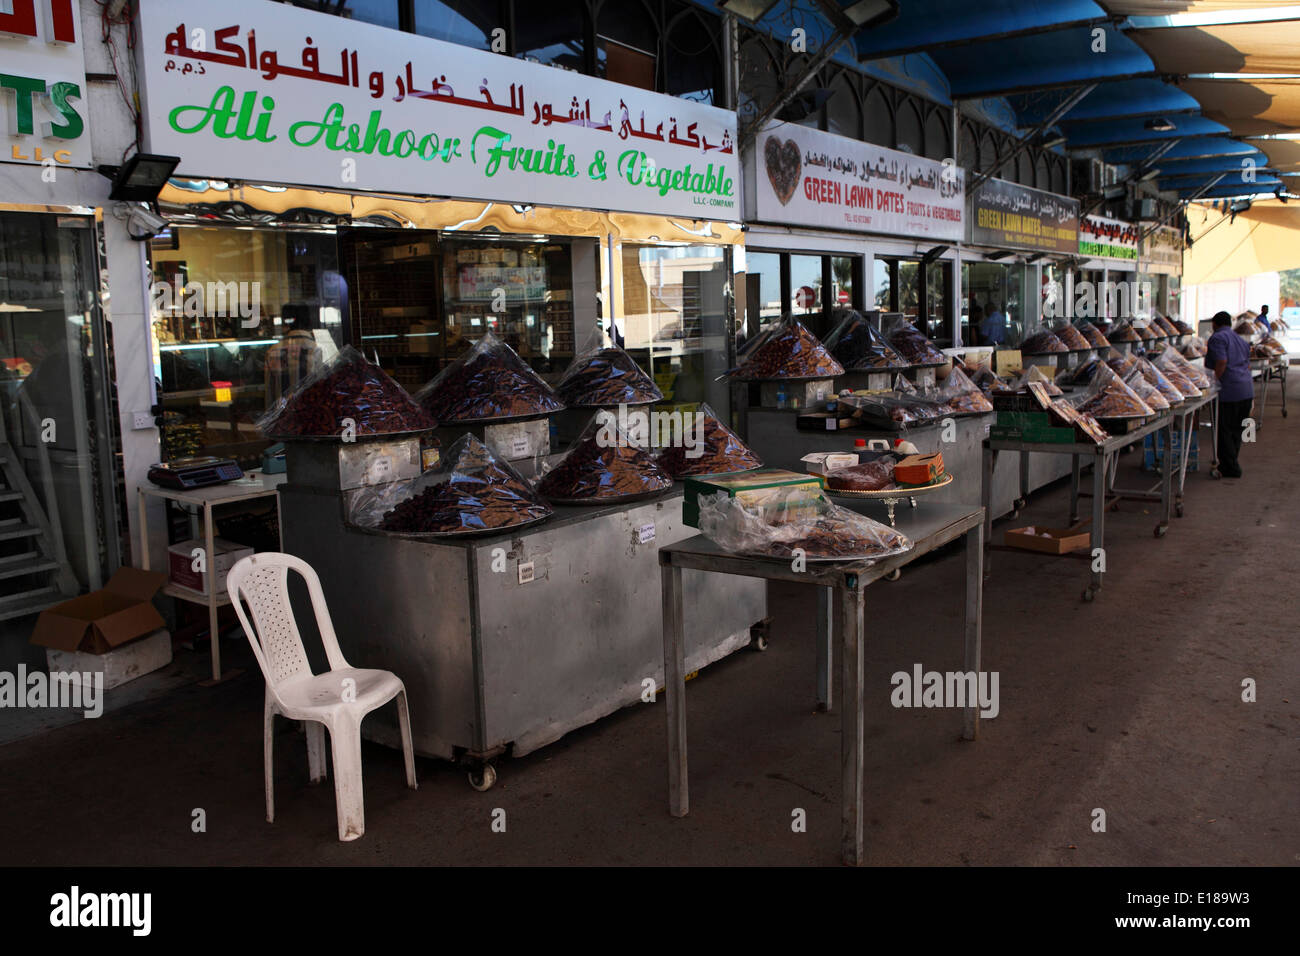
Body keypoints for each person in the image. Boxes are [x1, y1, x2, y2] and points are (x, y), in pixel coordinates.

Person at [1205, 310, 1254, 478]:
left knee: (1224, 429)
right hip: (1246, 390)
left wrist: (1213, 383)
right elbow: (1248, 366)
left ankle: (1231, 467)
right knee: (1236, 430)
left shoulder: (1217, 338)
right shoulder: (1240, 340)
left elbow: (1222, 362)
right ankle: (1230, 463)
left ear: (1214, 324)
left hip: (1229, 390)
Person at [265, 303, 323, 407]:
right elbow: (322, 387)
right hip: (311, 414)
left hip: (283, 415)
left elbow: (269, 394)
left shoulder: (273, 351)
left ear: (285, 322)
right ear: (310, 321)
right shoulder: (316, 349)